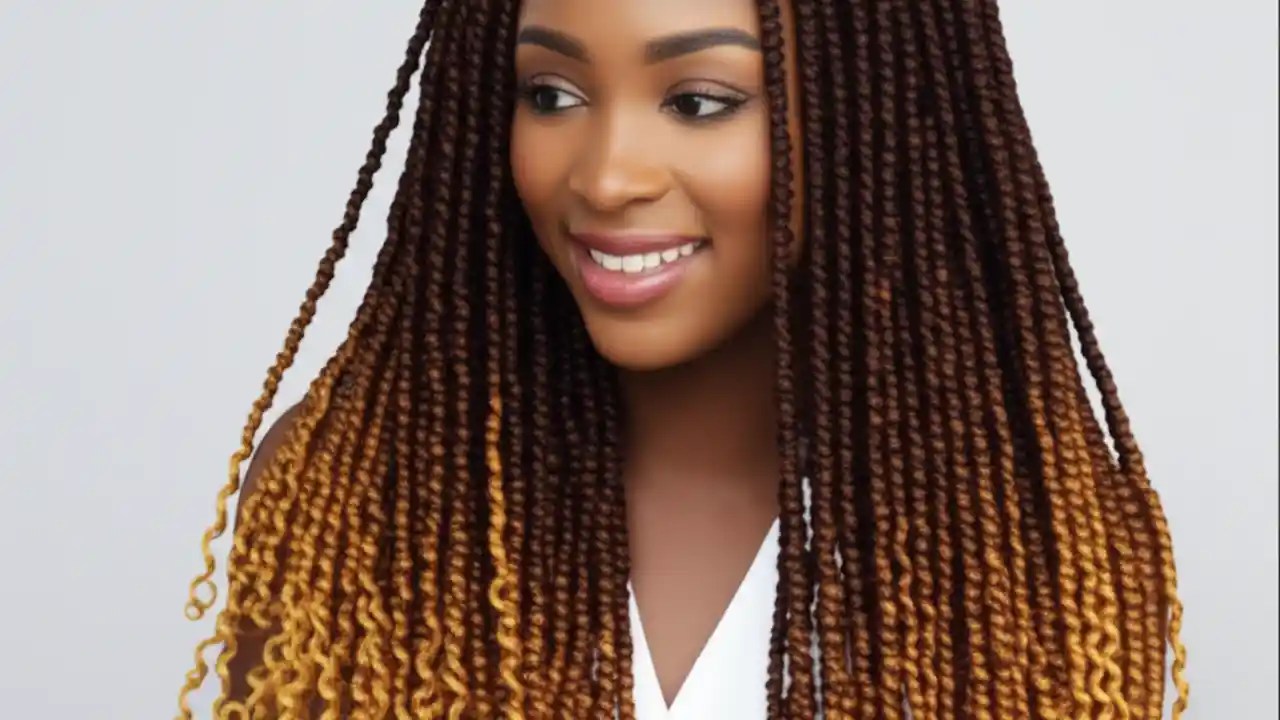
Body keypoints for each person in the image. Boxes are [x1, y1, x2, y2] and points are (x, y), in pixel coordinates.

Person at [175, 0, 1191, 717]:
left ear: (871, 112)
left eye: (698, 101)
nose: (607, 175)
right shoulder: (351, 506)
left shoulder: (1035, 551)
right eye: (552, 93)